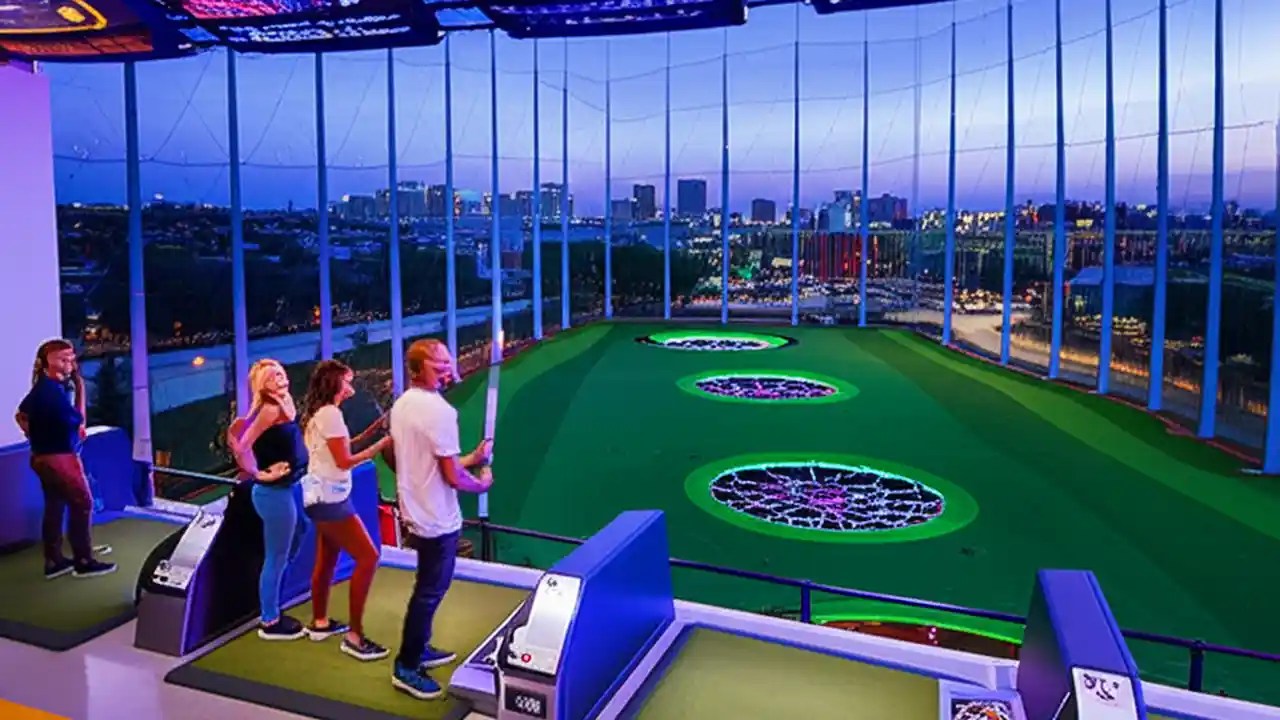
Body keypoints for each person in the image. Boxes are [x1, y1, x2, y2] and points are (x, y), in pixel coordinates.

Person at [385, 339, 493, 700]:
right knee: (430, 593)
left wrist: (472, 456)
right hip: (437, 518)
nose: (447, 369)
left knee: (425, 589)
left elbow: (429, 461)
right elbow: (450, 476)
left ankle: (420, 648)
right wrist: (480, 484)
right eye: (438, 364)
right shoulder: (441, 412)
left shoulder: (401, 405)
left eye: (448, 362)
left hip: (415, 512)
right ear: (417, 370)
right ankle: (407, 664)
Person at [297, 359, 391, 661]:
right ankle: (355, 636)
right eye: (347, 381)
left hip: (319, 498)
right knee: (368, 556)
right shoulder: (332, 415)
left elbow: (343, 448)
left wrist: (376, 430)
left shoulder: (318, 415)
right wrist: (384, 443)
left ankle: (320, 622)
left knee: (326, 559)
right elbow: (346, 461)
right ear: (335, 384)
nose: (351, 386)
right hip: (332, 500)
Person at [14, 339, 115, 580]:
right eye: (62, 359)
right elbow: (79, 421)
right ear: (46, 362)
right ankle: (83, 560)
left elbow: (21, 414)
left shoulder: (44, 389)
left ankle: (54, 560)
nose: (69, 363)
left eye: (71, 358)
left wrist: (34, 434)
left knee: (55, 505)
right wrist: (81, 386)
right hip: (60, 458)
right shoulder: (51, 393)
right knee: (83, 503)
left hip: (42, 457)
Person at [229, 358, 310, 641]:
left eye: (281, 372)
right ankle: (270, 620)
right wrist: (259, 473)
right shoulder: (270, 409)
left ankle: (272, 595)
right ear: (264, 384)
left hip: (289, 488)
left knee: (299, 532)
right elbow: (241, 446)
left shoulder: (284, 403)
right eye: (273, 375)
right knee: (276, 556)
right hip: (273, 494)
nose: (280, 377)